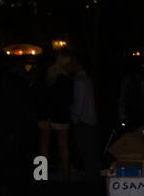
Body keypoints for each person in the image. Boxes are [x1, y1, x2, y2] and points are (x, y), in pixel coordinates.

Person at [35, 53, 73, 182]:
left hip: (44, 115)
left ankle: (41, 175)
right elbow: (69, 99)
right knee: (63, 145)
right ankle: (66, 175)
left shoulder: (45, 76)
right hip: (60, 115)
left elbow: (38, 96)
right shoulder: (66, 79)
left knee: (43, 145)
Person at [63, 53, 100, 183]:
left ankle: (90, 178)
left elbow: (79, 104)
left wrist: (74, 119)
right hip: (89, 120)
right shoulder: (86, 79)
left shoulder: (79, 81)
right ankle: (92, 177)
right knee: (90, 152)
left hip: (83, 121)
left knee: (86, 152)